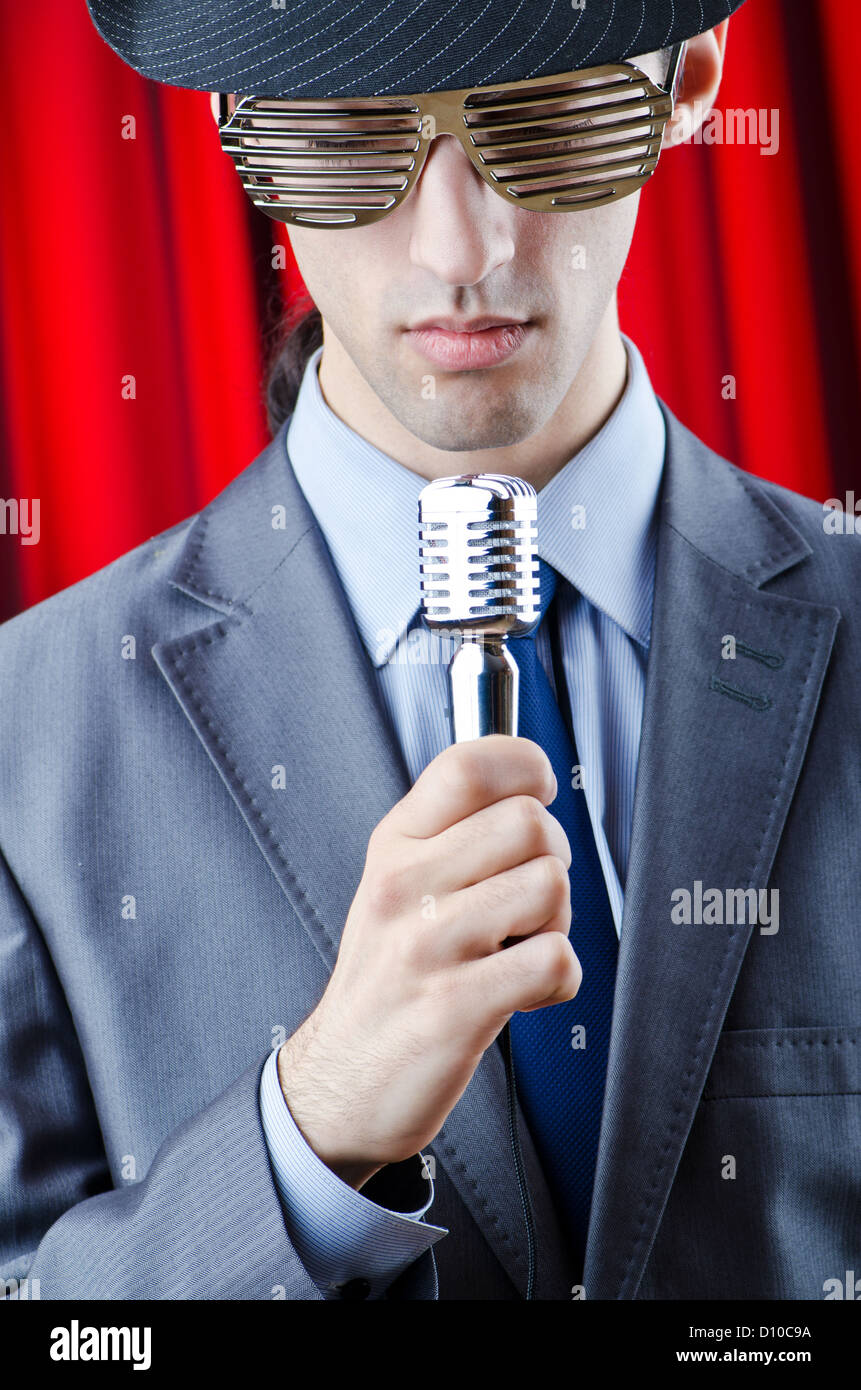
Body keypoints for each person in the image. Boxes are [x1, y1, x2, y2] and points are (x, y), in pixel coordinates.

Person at [1, 0, 858, 1302]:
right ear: (242, 128)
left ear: (690, 78)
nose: (462, 250)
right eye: (353, 137)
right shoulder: (25, 742)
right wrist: (312, 1129)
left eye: (547, 120)